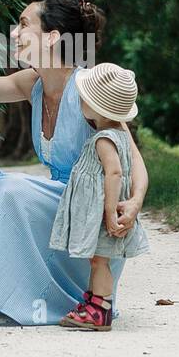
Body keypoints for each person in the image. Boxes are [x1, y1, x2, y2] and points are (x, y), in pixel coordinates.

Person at [0, 0, 149, 325]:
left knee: (13, 191)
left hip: (87, 223)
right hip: (61, 211)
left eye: (23, 24)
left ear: (51, 38)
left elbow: (131, 161)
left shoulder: (88, 90)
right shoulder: (32, 83)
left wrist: (133, 203)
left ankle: (60, 297)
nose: (14, 34)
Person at [50, 62, 149, 330]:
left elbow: (114, 174)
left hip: (103, 212)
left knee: (99, 261)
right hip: (104, 210)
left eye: (84, 99)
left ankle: (100, 310)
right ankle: (93, 302)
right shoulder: (119, 134)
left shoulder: (104, 139)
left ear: (96, 107)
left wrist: (108, 212)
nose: (80, 102)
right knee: (96, 259)